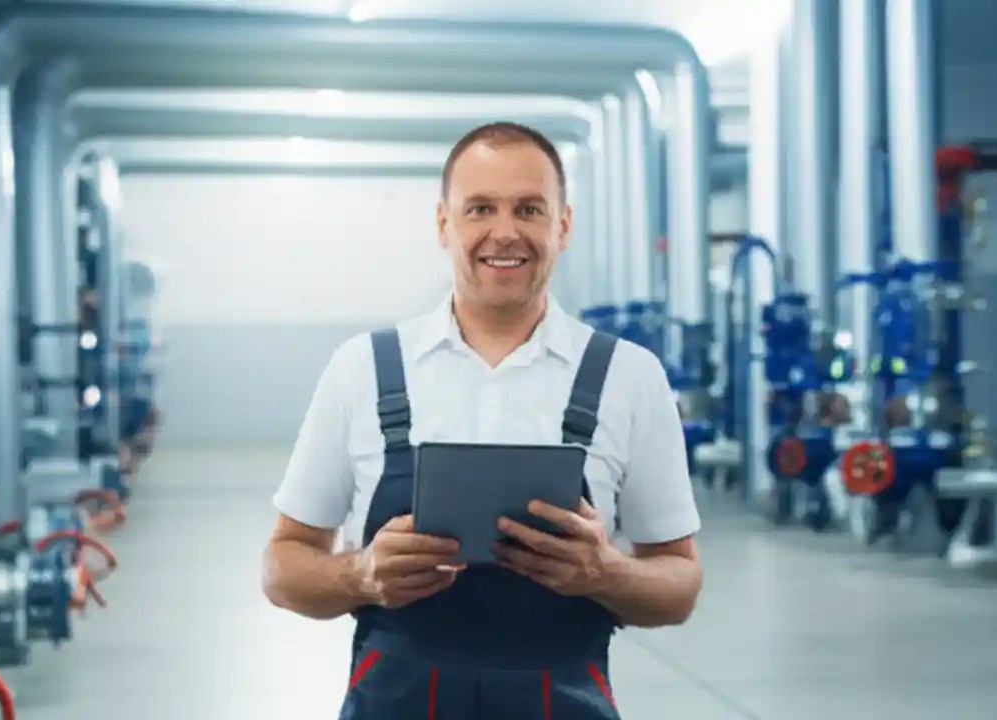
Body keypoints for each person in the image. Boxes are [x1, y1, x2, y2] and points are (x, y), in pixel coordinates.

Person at [262, 121, 703, 719]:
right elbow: (284, 568)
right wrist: (362, 574)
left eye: (529, 208)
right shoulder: (362, 370)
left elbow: (679, 586)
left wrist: (606, 572)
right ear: (444, 225)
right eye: (480, 209)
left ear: (562, 226)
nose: (505, 232)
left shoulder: (629, 377)